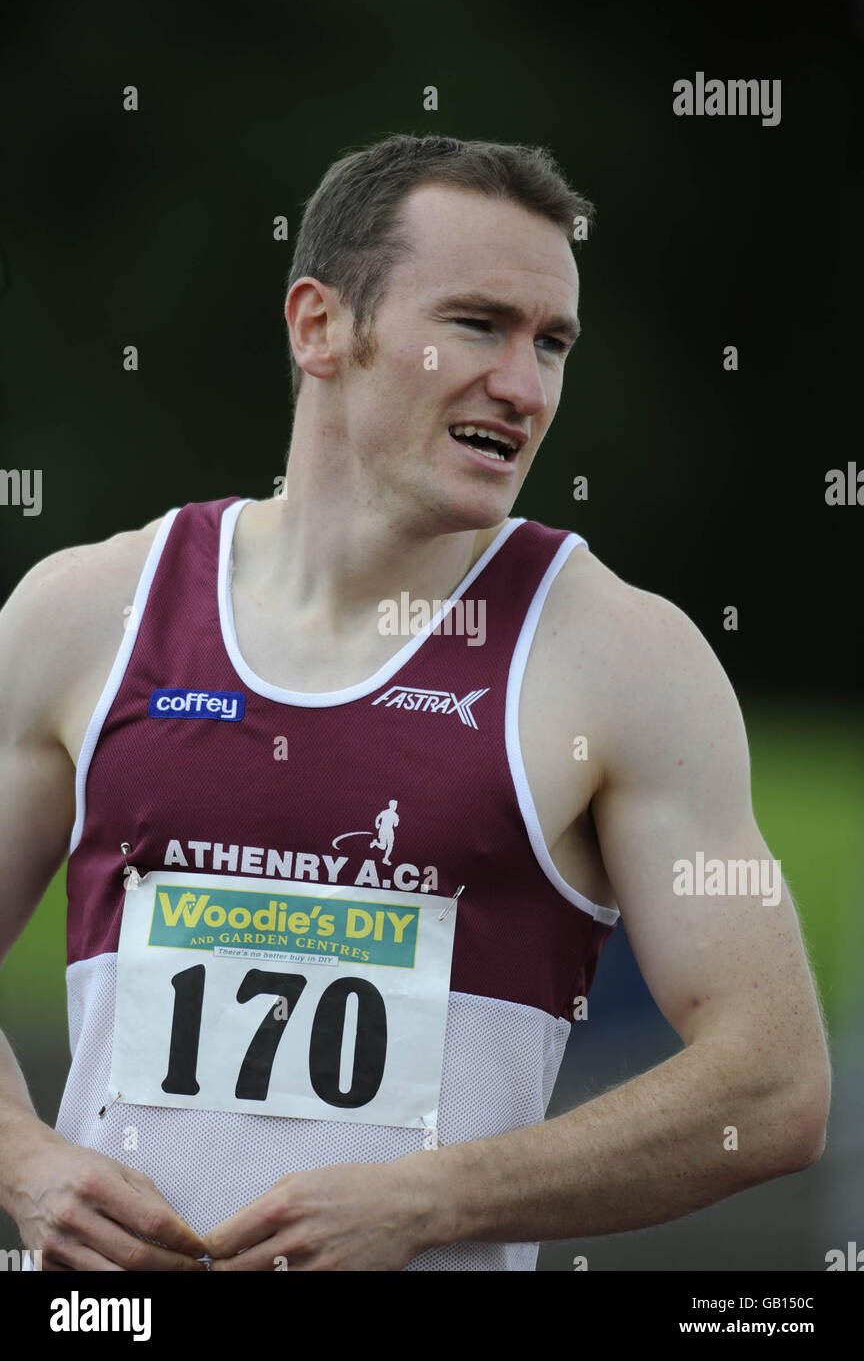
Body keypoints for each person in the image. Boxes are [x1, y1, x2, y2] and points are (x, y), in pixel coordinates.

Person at [0, 134, 830, 1272]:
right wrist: (26, 1163)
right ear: (320, 326)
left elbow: (776, 1083)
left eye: (553, 344)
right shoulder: (87, 613)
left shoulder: (620, 656)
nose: (526, 387)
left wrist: (431, 1200)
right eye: (479, 325)